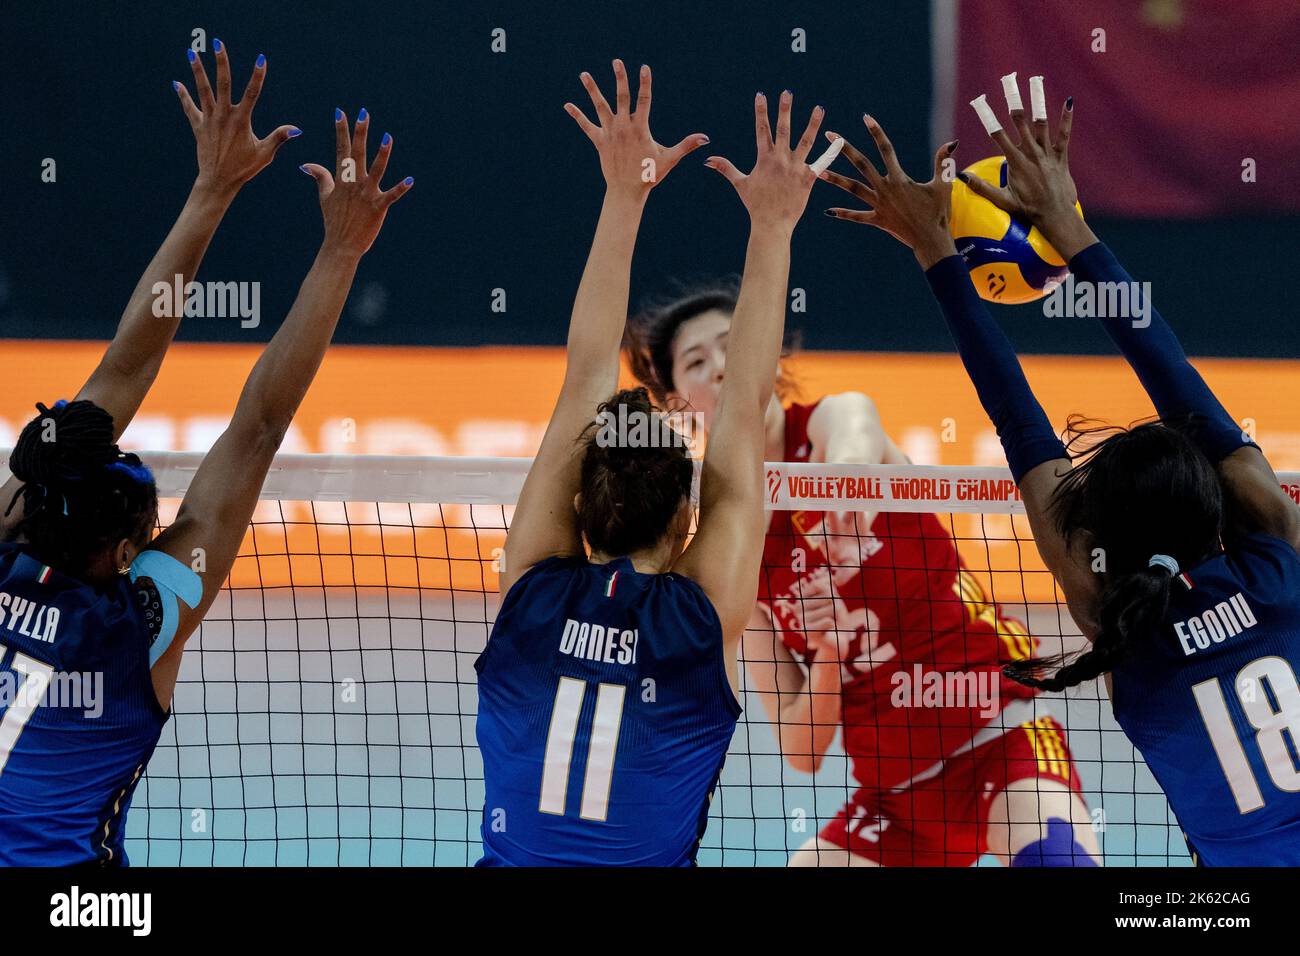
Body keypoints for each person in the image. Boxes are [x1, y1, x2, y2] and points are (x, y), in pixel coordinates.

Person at [821, 74, 1300, 865]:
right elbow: (1180, 383)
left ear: (1102, 540)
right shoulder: (1278, 564)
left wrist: (937, 251)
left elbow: (1021, 426)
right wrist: (1073, 233)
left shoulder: (1116, 626)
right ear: (1219, 507)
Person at [0, 41, 412, 865]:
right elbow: (256, 428)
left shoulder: (11, 529)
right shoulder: (136, 622)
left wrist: (210, 188)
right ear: (126, 554)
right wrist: (339, 253)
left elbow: (119, 373)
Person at [474, 62, 822, 865]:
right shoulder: (698, 620)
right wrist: (774, 228)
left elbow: (586, 377)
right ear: (686, 520)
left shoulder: (530, 593)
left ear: (585, 505)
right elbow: (744, 411)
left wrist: (624, 193)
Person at [625, 286, 1097, 868]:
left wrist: (843, 493)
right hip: (895, 800)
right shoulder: (732, 549)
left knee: (1056, 862)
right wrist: (825, 653)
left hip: (1003, 740)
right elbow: (802, 751)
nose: (723, 367)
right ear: (677, 400)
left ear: (768, 353)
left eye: (735, 345)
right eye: (697, 362)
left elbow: (853, 438)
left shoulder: (831, 419)